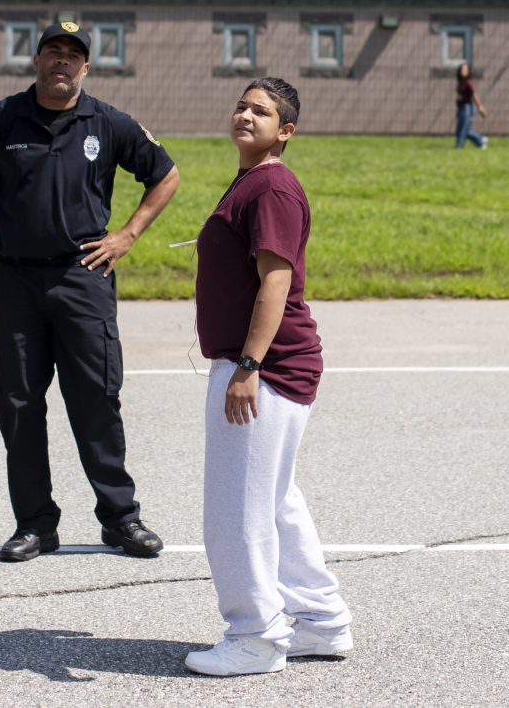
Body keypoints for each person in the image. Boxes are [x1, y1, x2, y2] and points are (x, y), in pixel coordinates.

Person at [0, 20, 180, 563]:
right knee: (19, 404)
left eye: (73, 54)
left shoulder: (108, 123)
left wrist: (127, 235)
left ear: (86, 67)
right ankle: (35, 524)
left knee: (96, 401)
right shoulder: (3, 117)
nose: (62, 61)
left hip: (82, 278)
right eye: (53, 51)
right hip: (17, 280)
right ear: (37, 61)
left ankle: (120, 518)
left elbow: (165, 176)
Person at [185, 77, 351, 678]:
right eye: (241, 106)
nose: (246, 115)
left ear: (286, 130)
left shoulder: (272, 186)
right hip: (269, 364)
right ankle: (322, 623)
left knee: (237, 512)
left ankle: (255, 637)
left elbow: (275, 281)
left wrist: (248, 366)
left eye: (261, 111)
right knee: (274, 502)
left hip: (266, 366)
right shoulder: (252, 180)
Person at [453, 61, 489, 149]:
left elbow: (474, 95)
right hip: (461, 109)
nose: (463, 71)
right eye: (462, 70)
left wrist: (480, 107)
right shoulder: (461, 82)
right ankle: (481, 141)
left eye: (465, 70)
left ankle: (459, 146)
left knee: (463, 130)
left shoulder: (469, 83)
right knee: (462, 130)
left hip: (466, 109)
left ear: (468, 72)